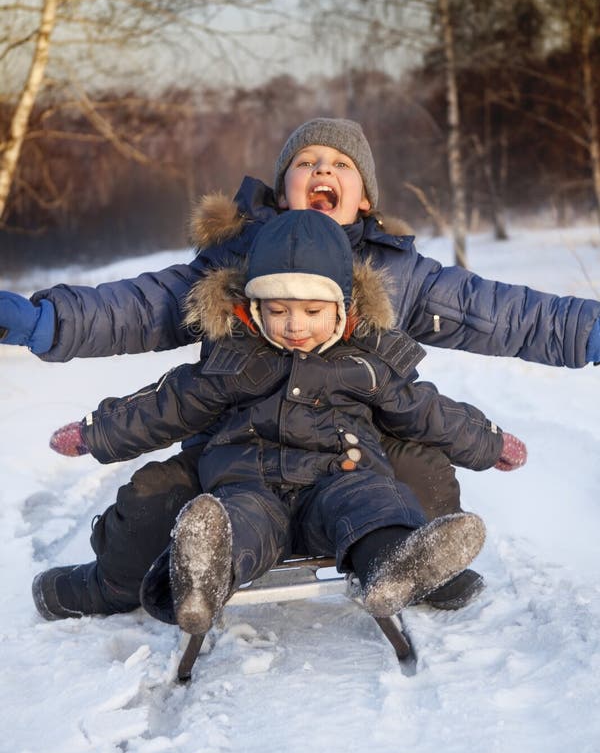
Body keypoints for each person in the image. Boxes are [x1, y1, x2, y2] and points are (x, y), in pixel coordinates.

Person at [1, 117, 597, 617]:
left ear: (363, 197)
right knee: (150, 509)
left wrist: (584, 332)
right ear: (281, 190)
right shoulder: (234, 261)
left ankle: (410, 566)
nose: (322, 171)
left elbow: (501, 314)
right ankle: (120, 584)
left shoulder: (399, 274)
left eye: (340, 164)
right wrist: (49, 322)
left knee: (421, 484)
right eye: (306, 161)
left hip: (356, 448)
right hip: (239, 448)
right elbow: (138, 309)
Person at [37, 210, 526, 634]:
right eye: (278, 310)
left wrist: (488, 441)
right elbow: (169, 403)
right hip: (248, 484)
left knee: (376, 503)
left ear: (342, 308)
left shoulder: (368, 362)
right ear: (254, 307)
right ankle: (201, 577)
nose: (295, 325)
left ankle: (397, 566)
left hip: (342, 476)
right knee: (233, 524)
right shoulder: (230, 362)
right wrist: (96, 432)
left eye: (312, 310)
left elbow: (425, 409)